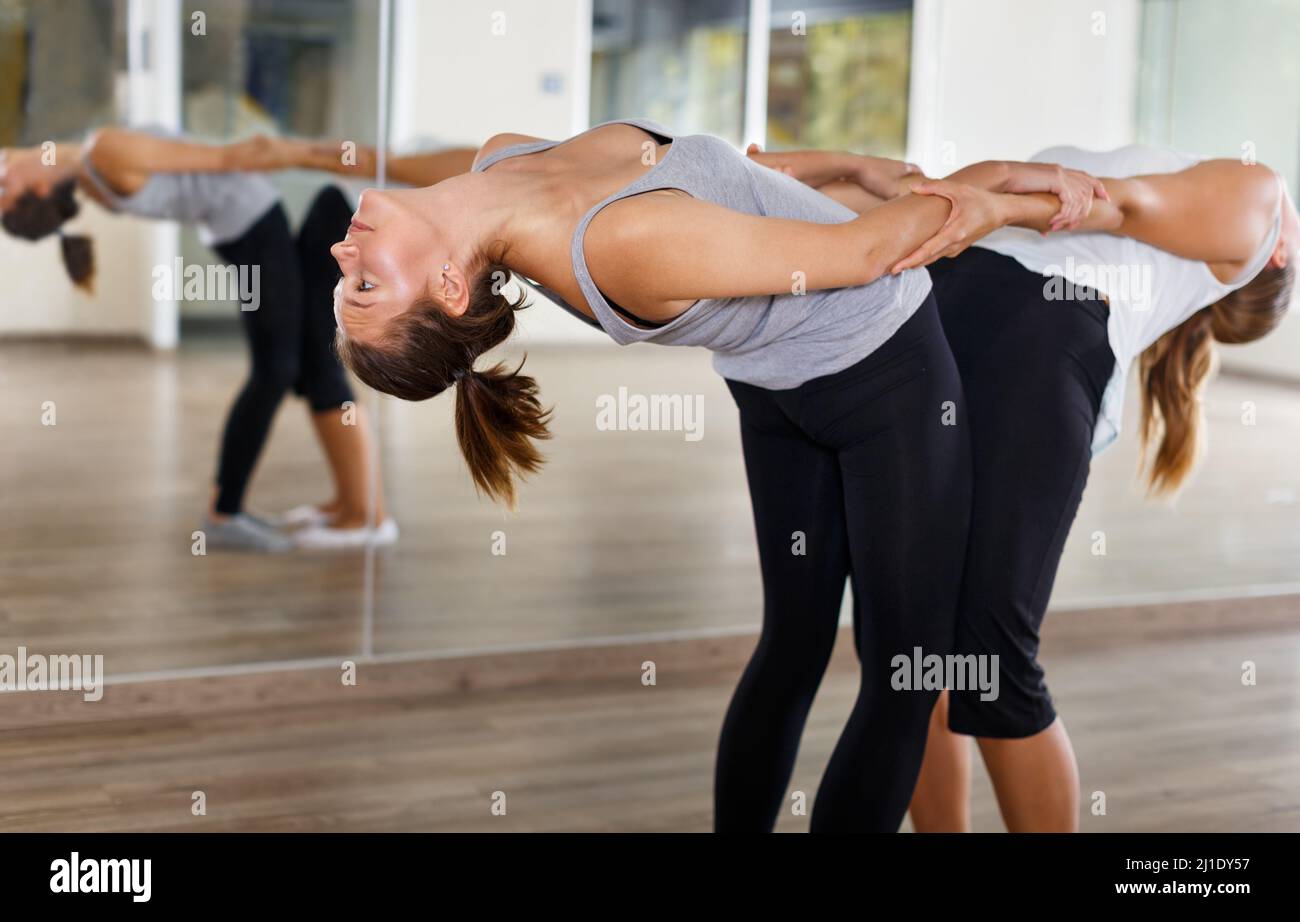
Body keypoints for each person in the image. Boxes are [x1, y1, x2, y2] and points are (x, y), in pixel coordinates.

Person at [323, 118, 1102, 831]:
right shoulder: (618, 241)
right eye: (364, 287)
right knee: (907, 676)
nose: (340, 255)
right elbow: (865, 254)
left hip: (776, 388)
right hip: (882, 374)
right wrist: (1012, 205)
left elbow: (727, 173)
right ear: (450, 290)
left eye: (345, 283)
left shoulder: (506, 159)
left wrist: (851, 167)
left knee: (795, 646)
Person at [754, 142, 1296, 831]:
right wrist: (825, 170)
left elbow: (1116, 203)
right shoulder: (1177, 171)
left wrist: (997, 200)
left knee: (991, 661)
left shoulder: (1258, 204)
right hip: (938, 304)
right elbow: (943, 199)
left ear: (1277, 259)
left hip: (1031, 335)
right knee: (911, 653)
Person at [0, 131, 476, 550]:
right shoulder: (102, 153)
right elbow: (225, 159)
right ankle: (239, 513)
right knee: (286, 367)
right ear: (41, 188)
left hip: (252, 230)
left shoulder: (91, 170)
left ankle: (344, 509)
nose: (2, 169)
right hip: (257, 228)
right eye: (5, 185)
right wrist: (291, 152)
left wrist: (315, 155)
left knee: (302, 362)